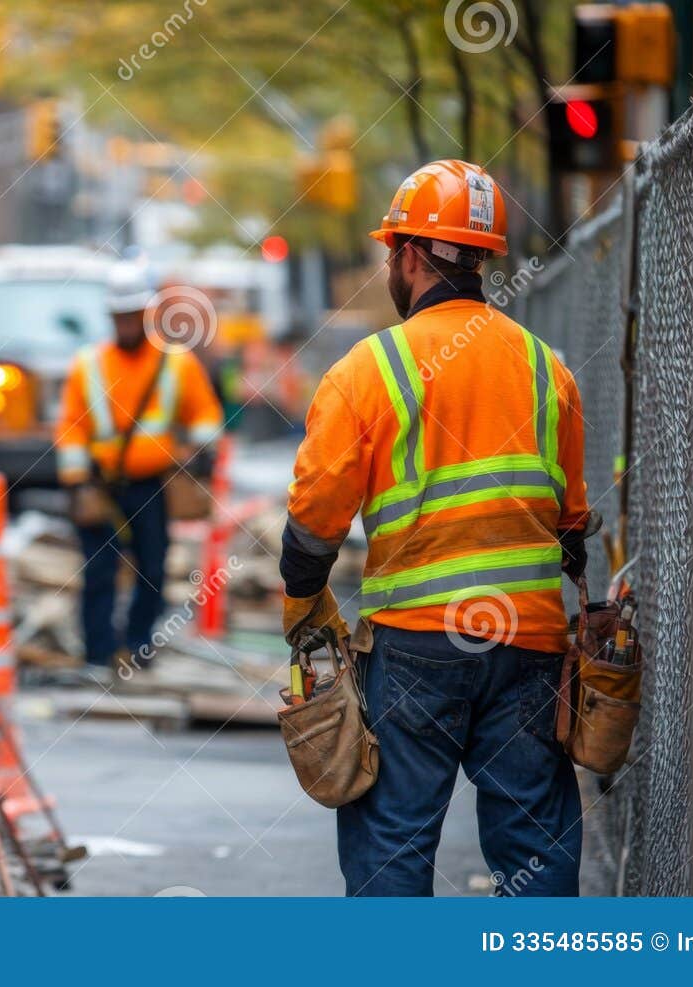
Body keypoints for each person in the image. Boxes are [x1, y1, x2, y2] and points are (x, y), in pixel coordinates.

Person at [280, 159, 594, 896]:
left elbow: (316, 512)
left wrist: (303, 598)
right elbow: (572, 524)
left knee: (393, 838)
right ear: (480, 258)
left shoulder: (369, 369)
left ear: (412, 254)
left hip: (416, 642)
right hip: (528, 639)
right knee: (535, 843)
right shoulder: (548, 369)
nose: (391, 264)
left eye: (393, 251)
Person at [55, 264, 223, 681]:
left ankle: (138, 648)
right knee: (98, 570)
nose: (126, 323)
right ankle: (98, 655)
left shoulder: (175, 363)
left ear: (147, 314)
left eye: (132, 315)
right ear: (111, 317)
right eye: (120, 316)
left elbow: (204, 413)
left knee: (152, 568)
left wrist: (202, 453)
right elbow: (72, 424)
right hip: (101, 486)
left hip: (152, 486)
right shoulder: (89, 365)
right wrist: (77, 480)